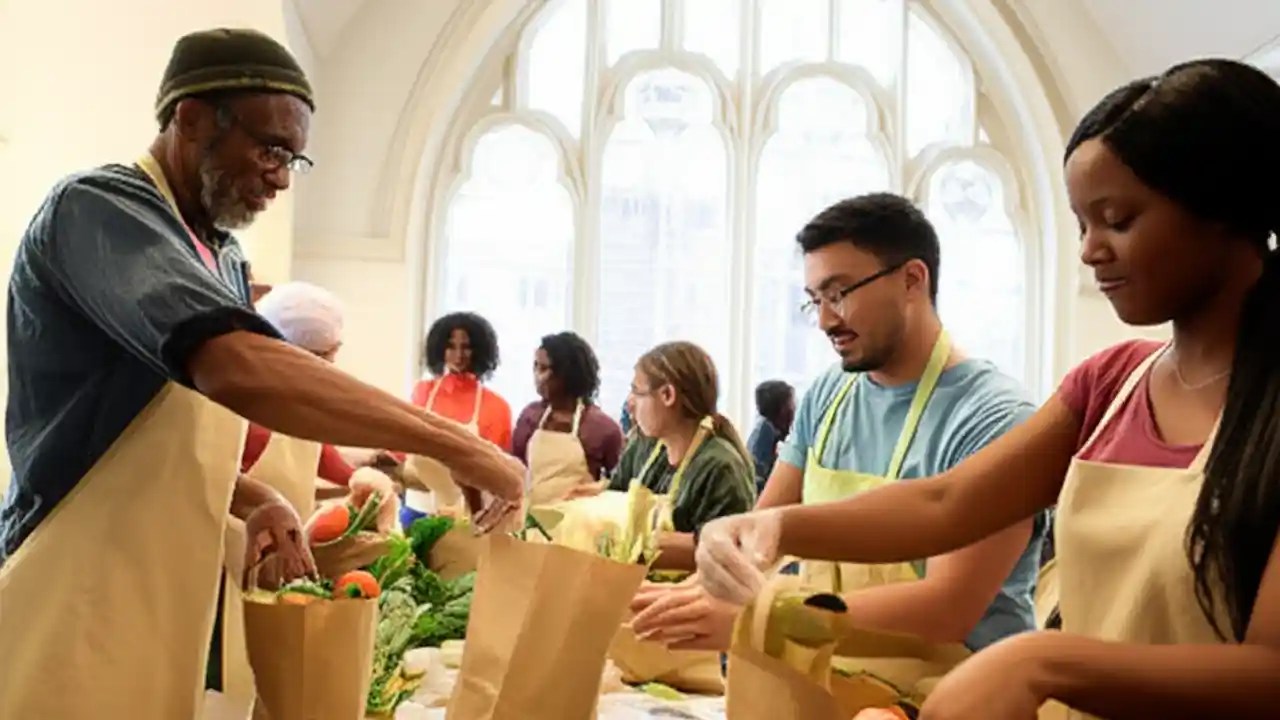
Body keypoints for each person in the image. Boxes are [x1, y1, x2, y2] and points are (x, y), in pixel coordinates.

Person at [694, 59, 1280, 720]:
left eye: (1117, 220)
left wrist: (1039, 660)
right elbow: (949, 502)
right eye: (1081, 225)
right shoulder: (1111, 383)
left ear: (1224, 208)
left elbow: (1269, 674)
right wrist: (772, 524)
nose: (1089, 251)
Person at [0, 28, 522, 720]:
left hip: (164, 596)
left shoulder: (222, 258)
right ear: (190, 118)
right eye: (270, 148)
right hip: (71, 594)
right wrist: (458, 443)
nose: (280, 175)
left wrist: (252, 500)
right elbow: (236, 367)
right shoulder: (100, 210)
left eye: (293, 158)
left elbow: (147, 442)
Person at [631, 193, 1043, 659]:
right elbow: (759, 544)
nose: (826, 320)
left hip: (952, 692)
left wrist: (768, 619)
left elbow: (946, 609)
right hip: (832, 674)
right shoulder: (828, 396)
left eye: (838, 294)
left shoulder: (995, 418)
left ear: (912, 280)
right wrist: (673, 598)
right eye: (814, 300)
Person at [609, 341, 756, 572]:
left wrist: (653, 548)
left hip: (691, 596)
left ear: (668, 395)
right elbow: (614, 499)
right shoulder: (643, 447)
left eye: (637, 391)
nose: (630, 402)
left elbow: (732, 555)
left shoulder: (720, 466)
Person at [402, 311, 513, 525]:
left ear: (479, 350)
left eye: (466, 347)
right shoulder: (423, 392)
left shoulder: (496, 406)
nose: (459, 355)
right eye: (451, 346)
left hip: (465, 515)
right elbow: (405, 448)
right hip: (417, 509)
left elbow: (497, 470)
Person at [512, 331, 624, 504]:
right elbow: (514, 471)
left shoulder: (602, 428)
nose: (536, 377)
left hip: (580, 524)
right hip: (531, 520)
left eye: (543, 368)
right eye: (535, 366)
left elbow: (619, 489)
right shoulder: (530, 417)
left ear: (565, 373)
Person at [747, 379, 795, 492]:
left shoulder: (764, 428)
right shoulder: (765, 431)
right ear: (782, 409)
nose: (794, 410)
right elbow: (758, 478)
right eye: (791, 404)